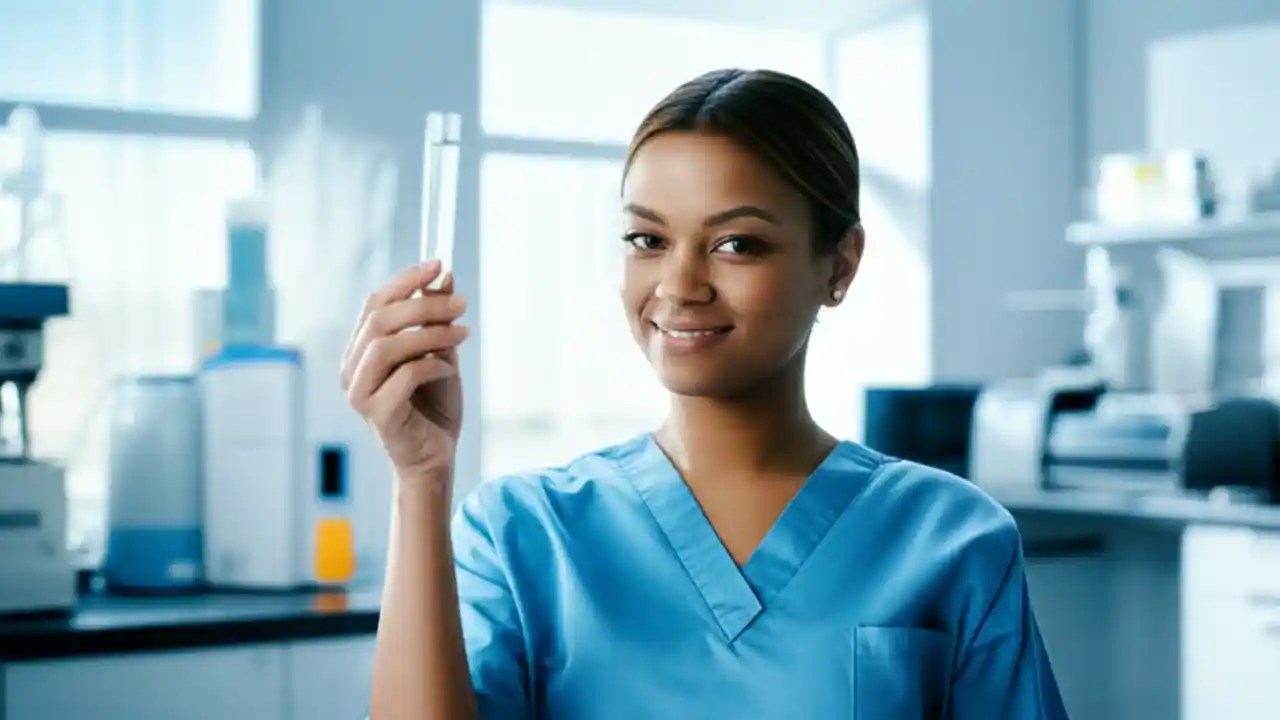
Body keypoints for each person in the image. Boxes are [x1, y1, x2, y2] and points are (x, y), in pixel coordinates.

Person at [345, 68, 1069, 719]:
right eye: (646, 240)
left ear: (839, 266)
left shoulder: (954, 540)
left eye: (736, 245)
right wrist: (420, 477)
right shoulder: (520, 535)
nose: (680, 286)